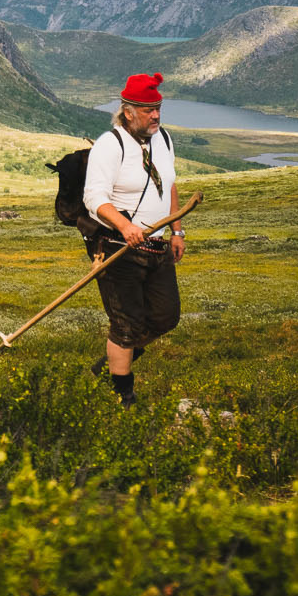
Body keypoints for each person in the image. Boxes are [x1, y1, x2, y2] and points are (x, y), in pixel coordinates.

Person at [81, 72, 185, 403]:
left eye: (158, 108)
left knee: (166, 317)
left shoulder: (164, 139)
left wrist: (177, 230)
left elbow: (168, 184)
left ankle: (110, 365)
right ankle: (123, 395)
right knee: (125, 326)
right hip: (117, 248)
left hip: (157, 248)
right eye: (147, 110)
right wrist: (125, 227)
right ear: (128, 111)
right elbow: (94, 198)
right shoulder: (109, 145)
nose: (155, 115)